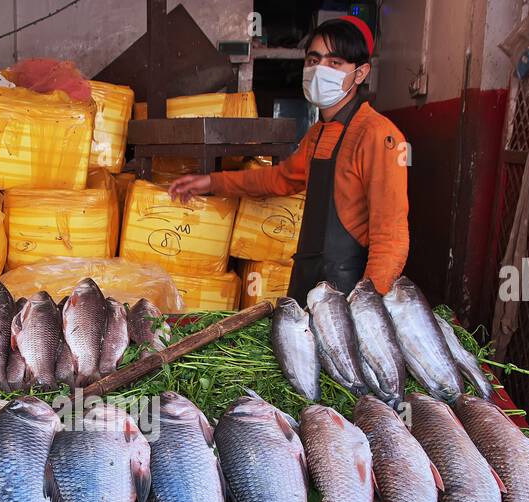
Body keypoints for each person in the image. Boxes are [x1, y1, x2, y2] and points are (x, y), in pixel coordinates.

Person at [167, 16, 409, 300]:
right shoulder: (318, 133)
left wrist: (370, 304)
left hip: (349, 289)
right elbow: (278, 180)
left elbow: (390, 237)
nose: (320, 70)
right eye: (313, 60)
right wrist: (210, 182)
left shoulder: (379, 135)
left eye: (334, 63)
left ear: (360, 73)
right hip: (307, 279)